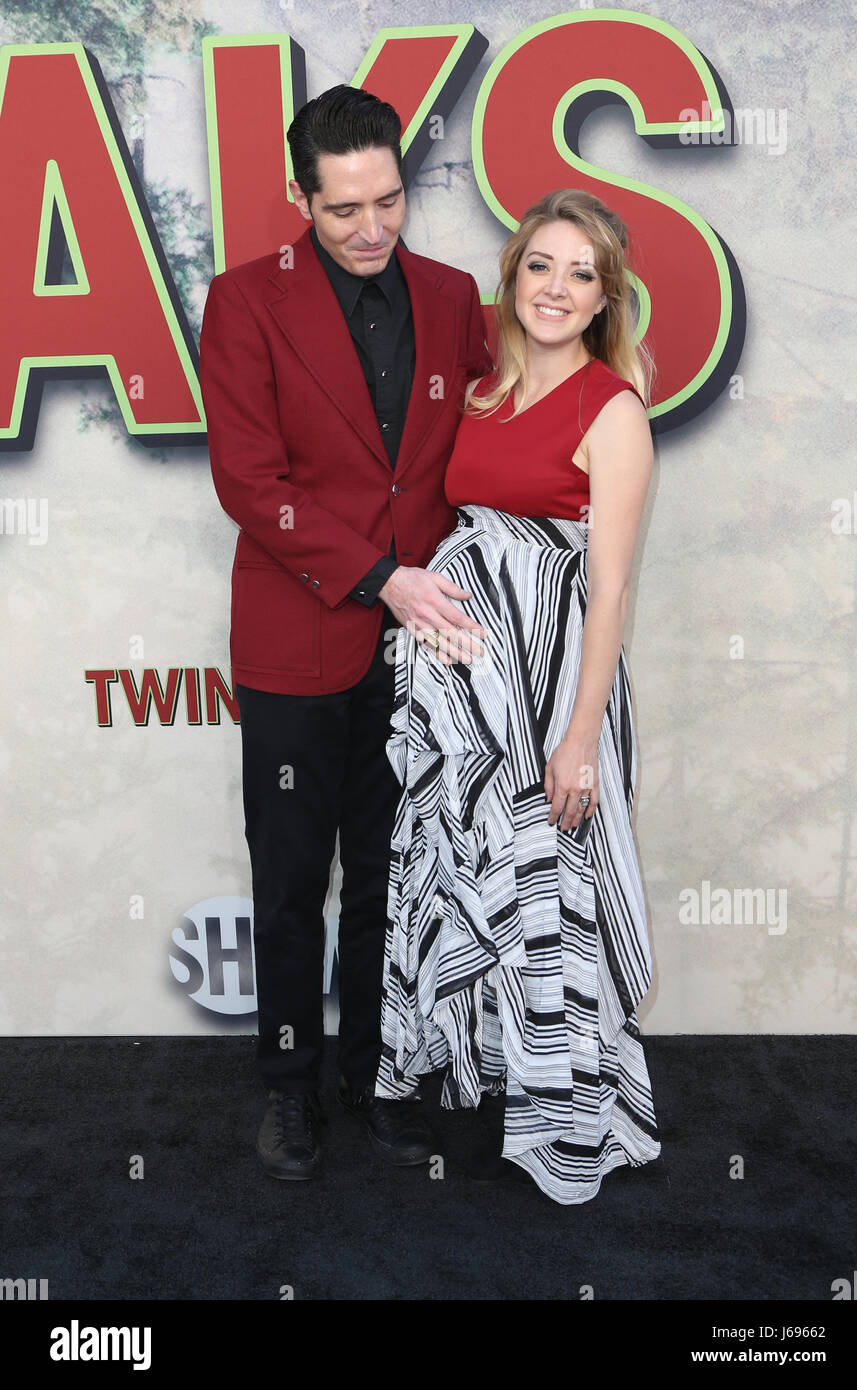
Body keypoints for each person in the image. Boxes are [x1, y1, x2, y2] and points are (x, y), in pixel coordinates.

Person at [199, 85, 492, 1180]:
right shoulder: (243, 301)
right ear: (300, 196)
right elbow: (250, 481)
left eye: (390, 201)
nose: (373, 229)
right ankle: (290, 1088)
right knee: (289, 880)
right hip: (300, 635)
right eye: (344, 209)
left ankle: (379, 1075)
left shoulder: (455, 295)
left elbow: (492, 428)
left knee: (391, 876)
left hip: (424, 650)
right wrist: (381, 578)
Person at [376, 188, 662, 1204]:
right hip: (467, 689)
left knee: (553, 892)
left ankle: (570, 1122)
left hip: (550, 693)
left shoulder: (613, 412)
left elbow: (610, 589)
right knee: (468, 875)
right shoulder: (480, 392)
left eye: (582, 274)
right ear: (514, 277)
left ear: (604, 299)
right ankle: (492, 1075)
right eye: (541, 264)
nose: (556, 287)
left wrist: (578, 739)